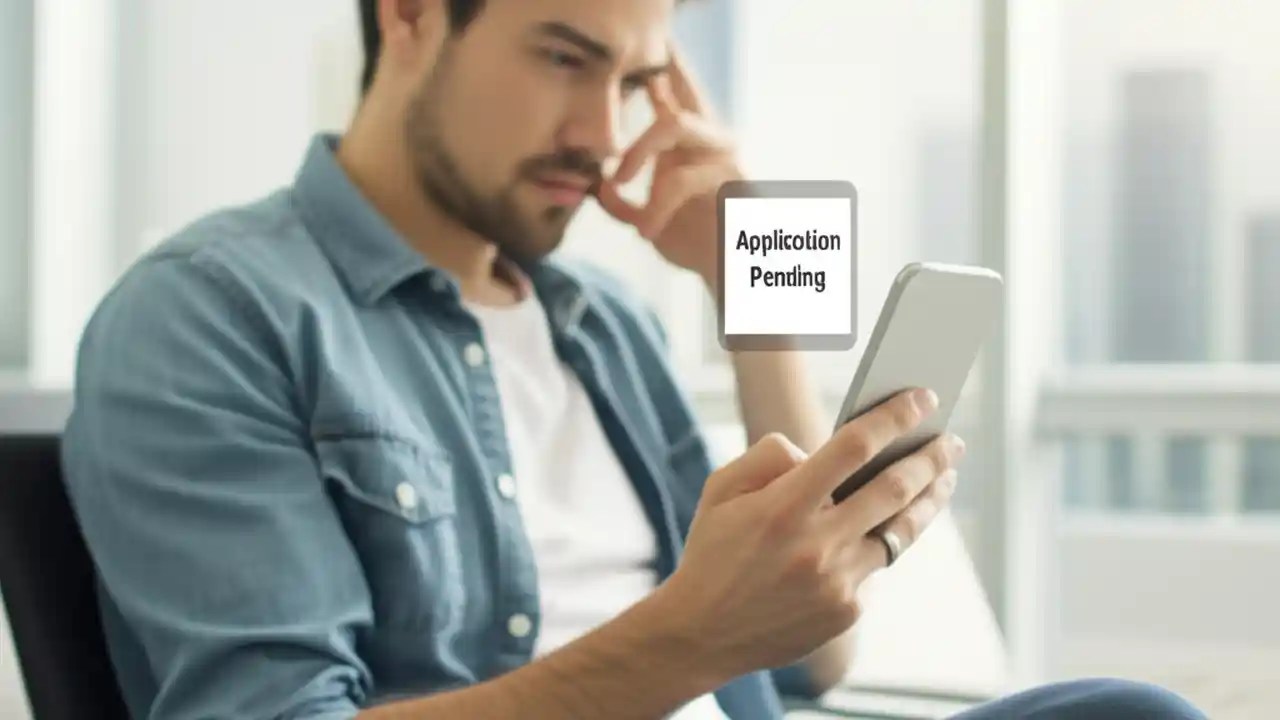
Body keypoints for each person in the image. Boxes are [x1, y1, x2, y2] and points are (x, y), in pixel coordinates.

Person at [60, 1, 1206, 718]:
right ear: (409, 15)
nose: (606, 134)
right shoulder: (208, 316)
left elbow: (823, 659)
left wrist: (750, 278)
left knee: (1131, 714)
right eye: (565, 58)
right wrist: (693, 632)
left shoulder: (603, 320)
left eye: (636, 81)